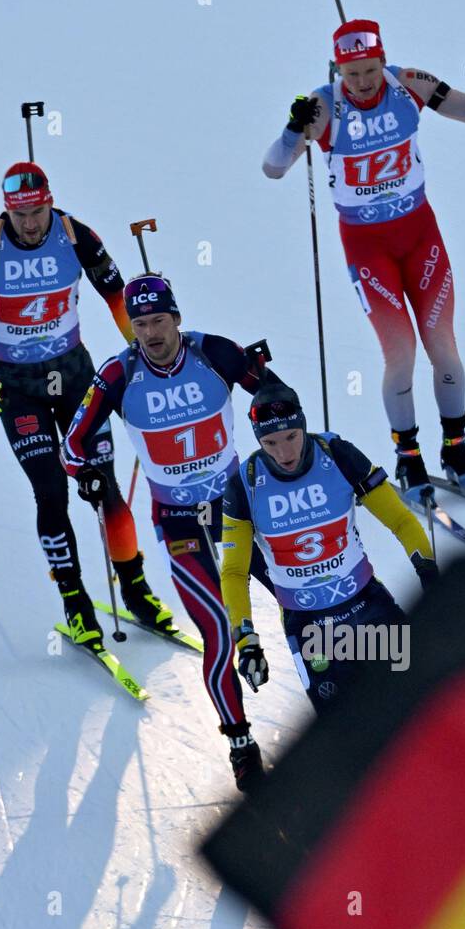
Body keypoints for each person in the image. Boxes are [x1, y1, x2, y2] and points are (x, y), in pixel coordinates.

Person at [262, 18, 465, 498]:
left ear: (381, 61)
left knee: (443, 344)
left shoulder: (409, 83)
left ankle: (456, 449)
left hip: (420, 234)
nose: (363, 83)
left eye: (369, 70)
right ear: (338, 71)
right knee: (401, 352)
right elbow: (273, 168)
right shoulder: (323, 106)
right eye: (352, 75)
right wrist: (293, 130)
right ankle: (408, 455)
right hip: (368, 247)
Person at [63, 273, 277, 791]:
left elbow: (272, 398)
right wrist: (88, 475)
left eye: (159, 320)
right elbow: (73, 443)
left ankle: (341, 691)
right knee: (219, 632)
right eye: (140, 324)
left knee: (303, 600)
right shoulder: (118, 374)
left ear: (177, 318)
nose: (152, 333)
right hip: (179, 523)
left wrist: (268, 389)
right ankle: (241, 744)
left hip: (238, 510)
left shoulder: (214, 353)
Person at [0, 161, 166, 646]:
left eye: (36, 211)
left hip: (76, 375)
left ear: (49, 201)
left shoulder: (74, 233)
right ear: (7, 211)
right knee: (51, 490)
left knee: (104, 485)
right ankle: (75, 601)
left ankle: (136, 591)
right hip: (18, 387)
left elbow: (117, 296)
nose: (29, 223)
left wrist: (142, 349)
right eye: (19, 214)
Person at [221, 379, 438, 713]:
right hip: (309, 626)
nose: (284, 453)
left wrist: (428, 573)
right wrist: (246, 639)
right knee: (347, 731)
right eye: (270, 442)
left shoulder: (337, 454)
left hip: (367, 606)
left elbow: (401, 522)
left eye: (291, 437)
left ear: (303, 426)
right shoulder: (245, 483)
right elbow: (235, 571)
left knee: (422, 708)